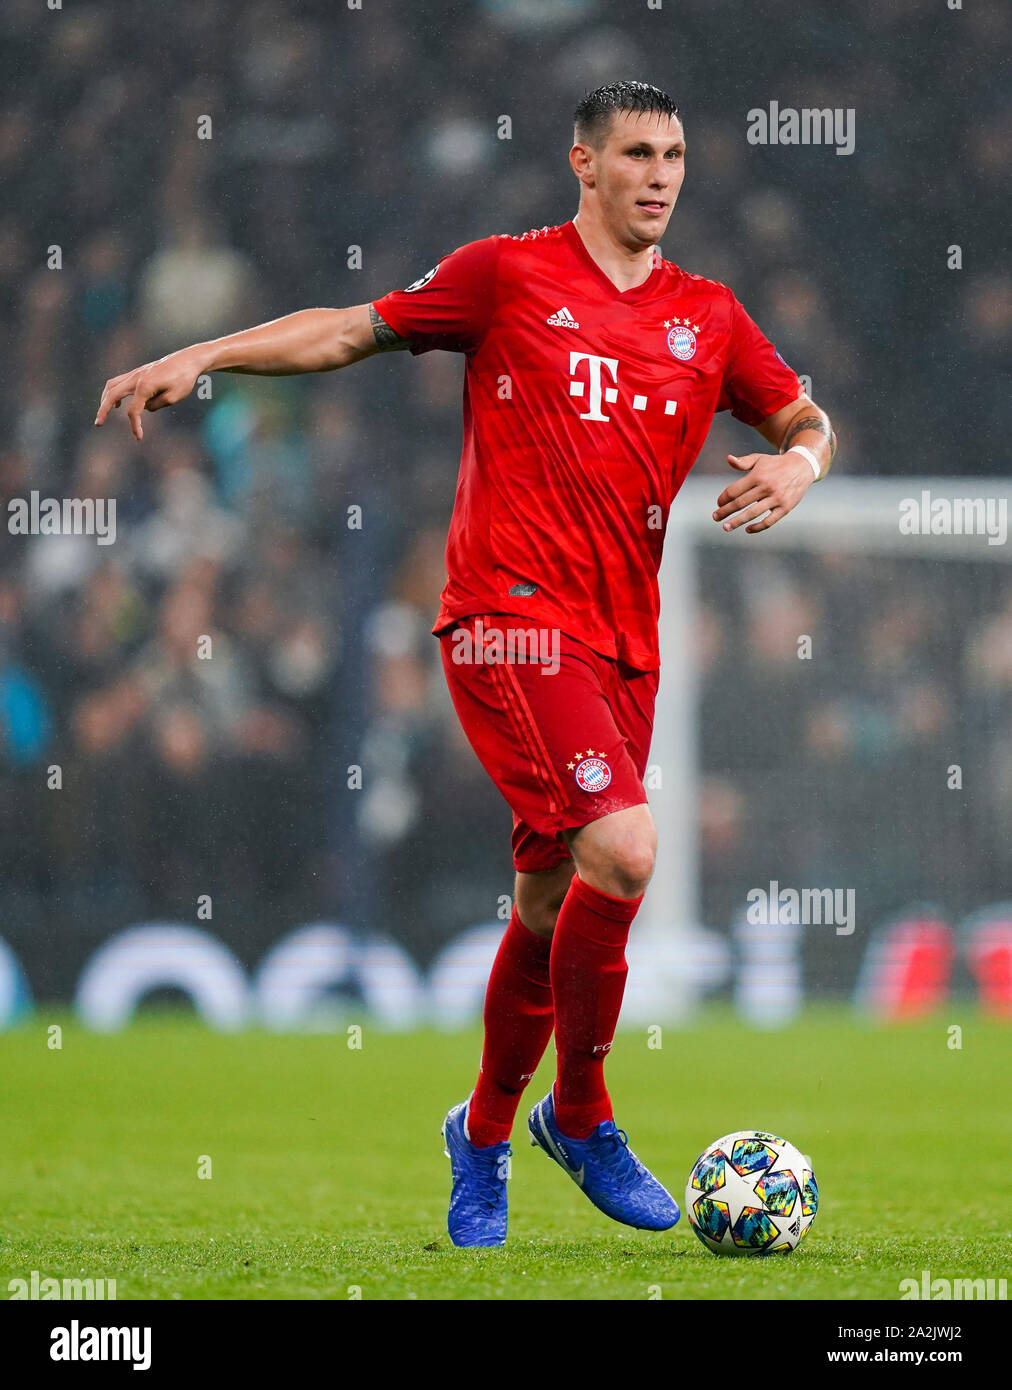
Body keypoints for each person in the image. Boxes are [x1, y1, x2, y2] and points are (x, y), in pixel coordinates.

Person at [95, 81, 837, 1248]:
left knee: (550, 904)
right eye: (636, 152)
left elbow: (803, 420)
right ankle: (581, 1116)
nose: (660, 174)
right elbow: (351, 326)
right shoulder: (507, 273)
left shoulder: (709, 315)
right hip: (506, 622)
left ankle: (482, 1133)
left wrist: (800, 465)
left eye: (676, 154)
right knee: (627, 850)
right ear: (582, 164)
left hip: (619, 649)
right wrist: (209, 353)